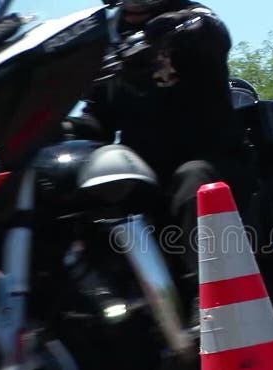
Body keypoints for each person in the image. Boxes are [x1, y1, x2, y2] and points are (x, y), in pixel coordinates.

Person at [62, 0, 256, 318]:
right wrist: (60, 130)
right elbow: (98, 120)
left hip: (215, 164)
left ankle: (215, 307)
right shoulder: (104, 38)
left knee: (193, 180)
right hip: (147, 177)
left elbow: (208, 31)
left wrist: (172, 29)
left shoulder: (191, 19)